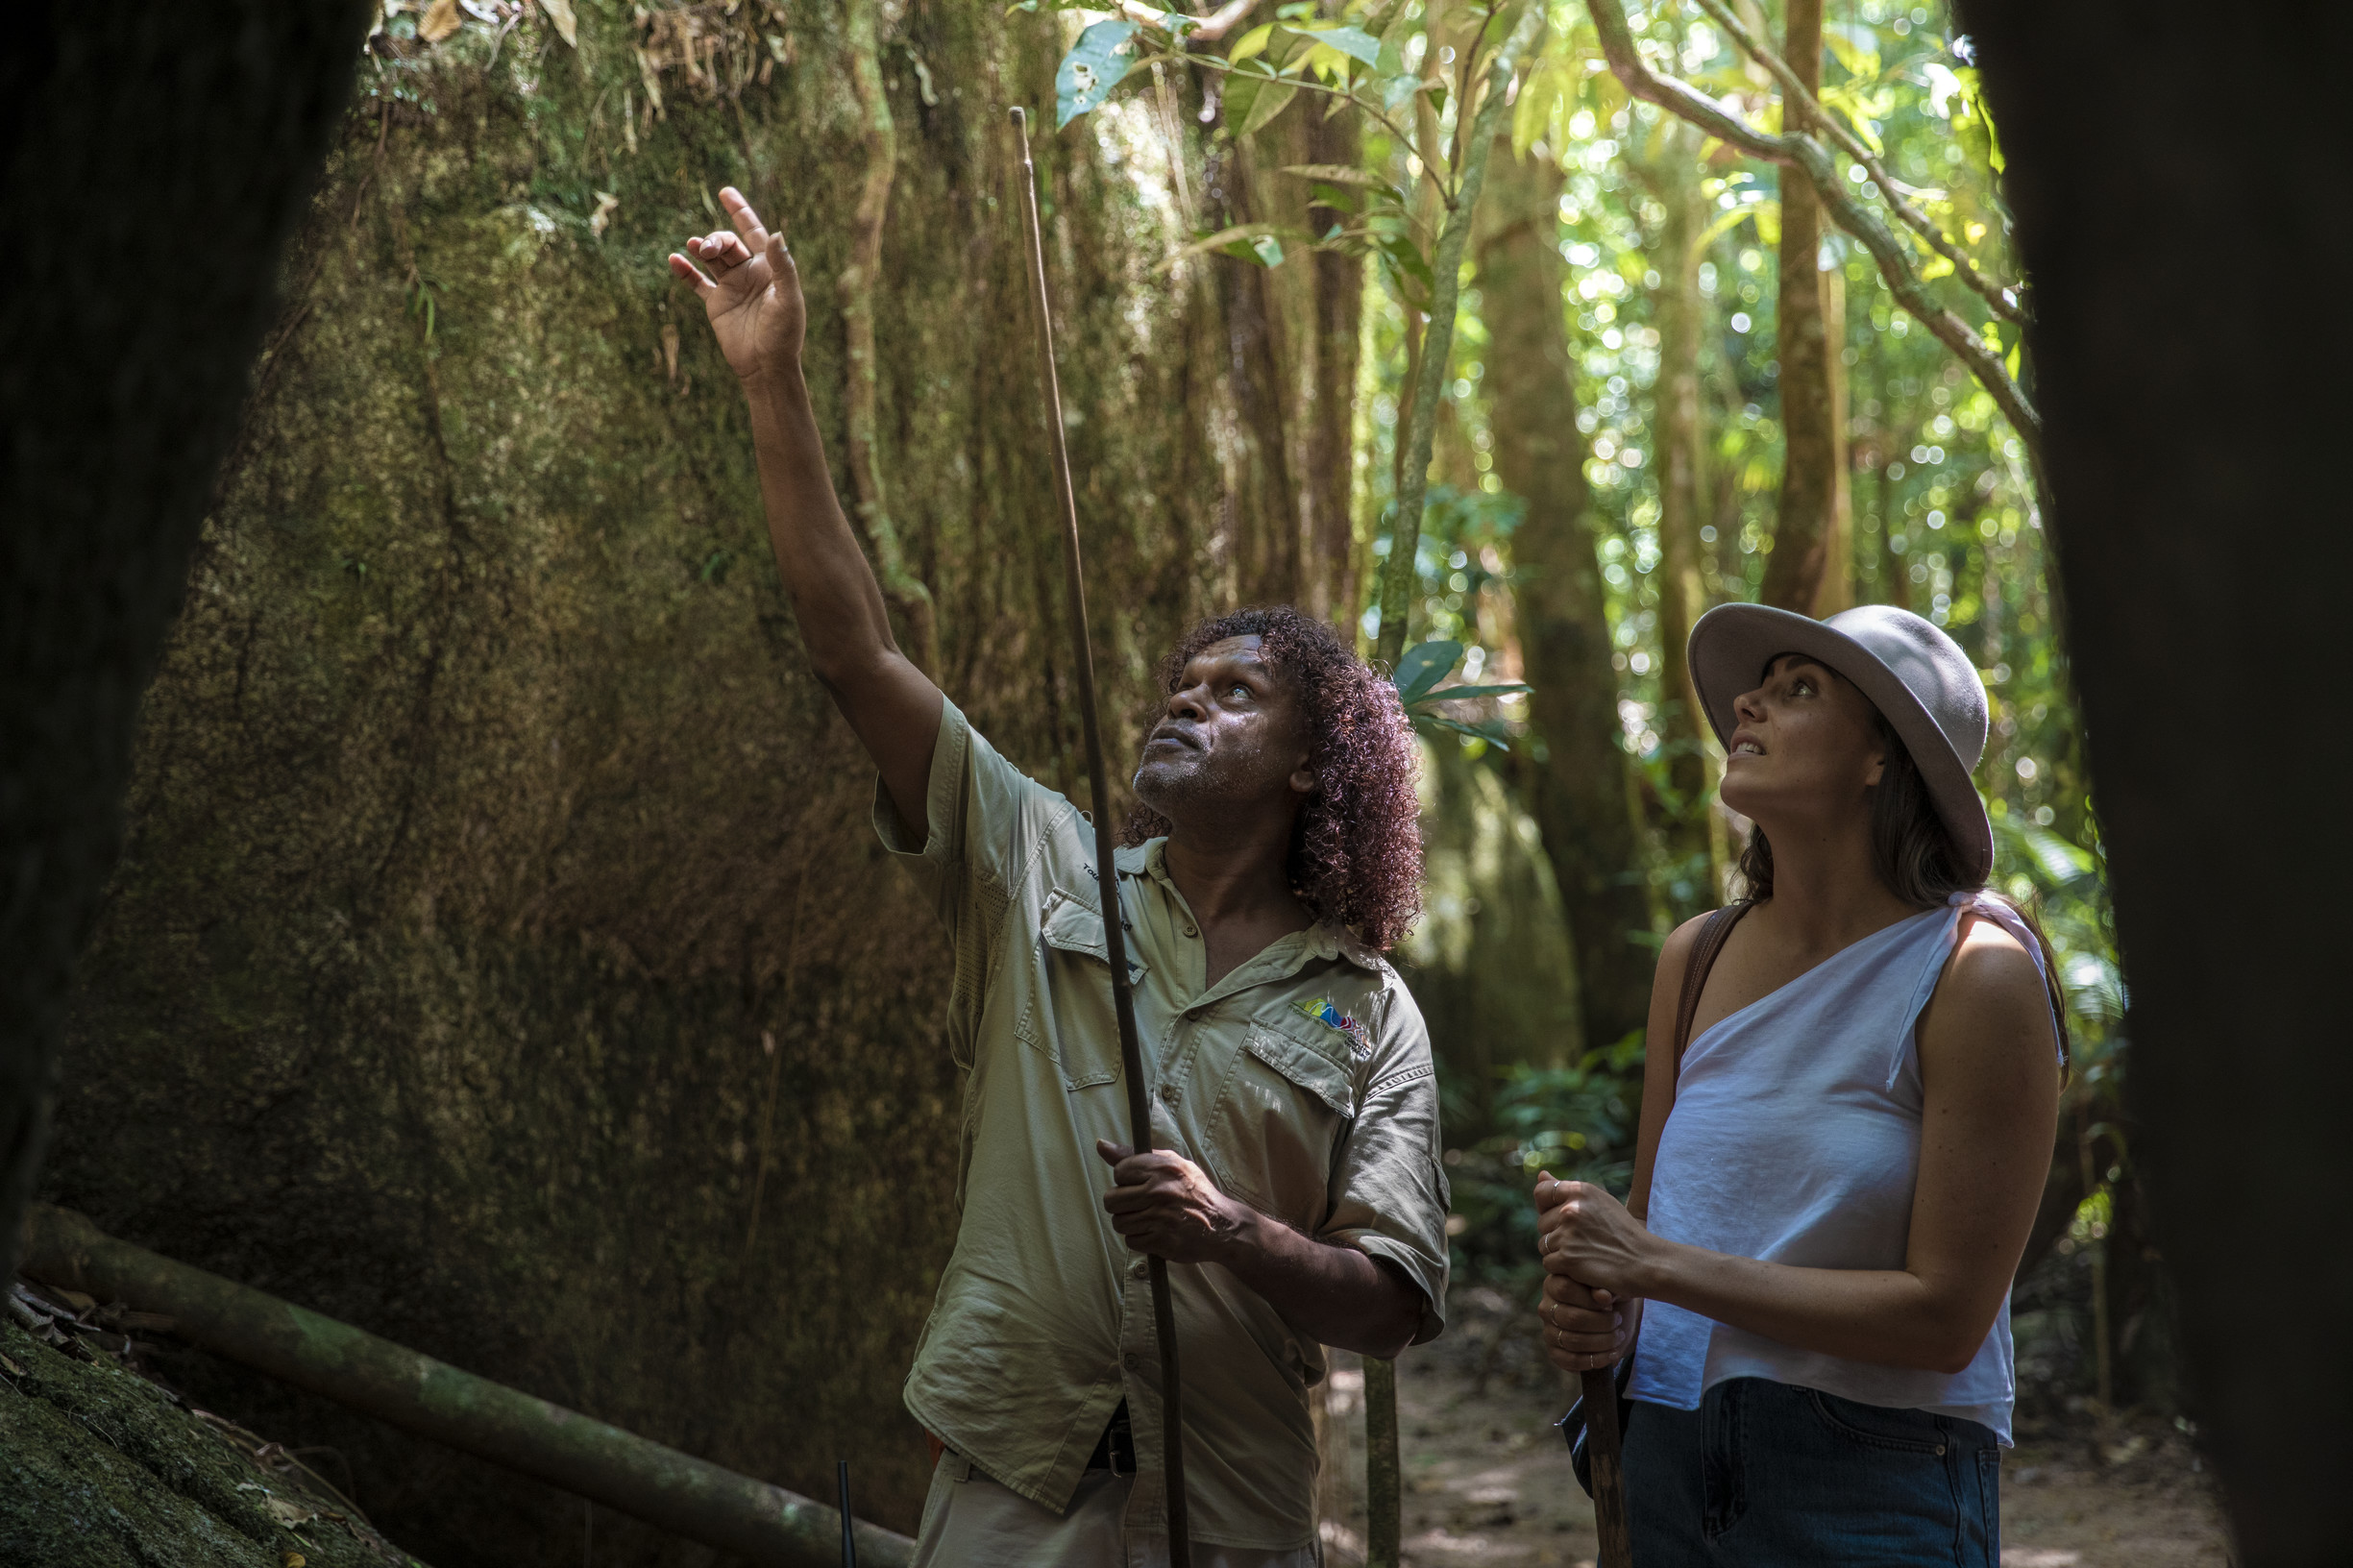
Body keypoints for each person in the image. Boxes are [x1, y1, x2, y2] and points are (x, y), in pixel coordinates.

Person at [668, 189, 1450, 1568]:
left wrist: (1233, 1234)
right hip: (1018, 1477)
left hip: (1232, 1502)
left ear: (1317, 767)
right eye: (1177, 686)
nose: (1184, 705)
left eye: (1234, 694)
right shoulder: (1033, 858)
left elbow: (1388, 1303)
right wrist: (772, 379)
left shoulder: (1370, 1010)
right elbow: (857, 655)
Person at [1532, 602, 2066, 1564]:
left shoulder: (1971, 972)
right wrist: (1600, 1308)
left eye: (1799, 689)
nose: (1746, 703)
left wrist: (1650, 1264)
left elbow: (1947, 1318)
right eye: (1759, 685)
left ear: (1881, 758)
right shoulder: (1696, 957)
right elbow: (1649, 1246)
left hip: (1867, 1476)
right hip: (1664, 1453)